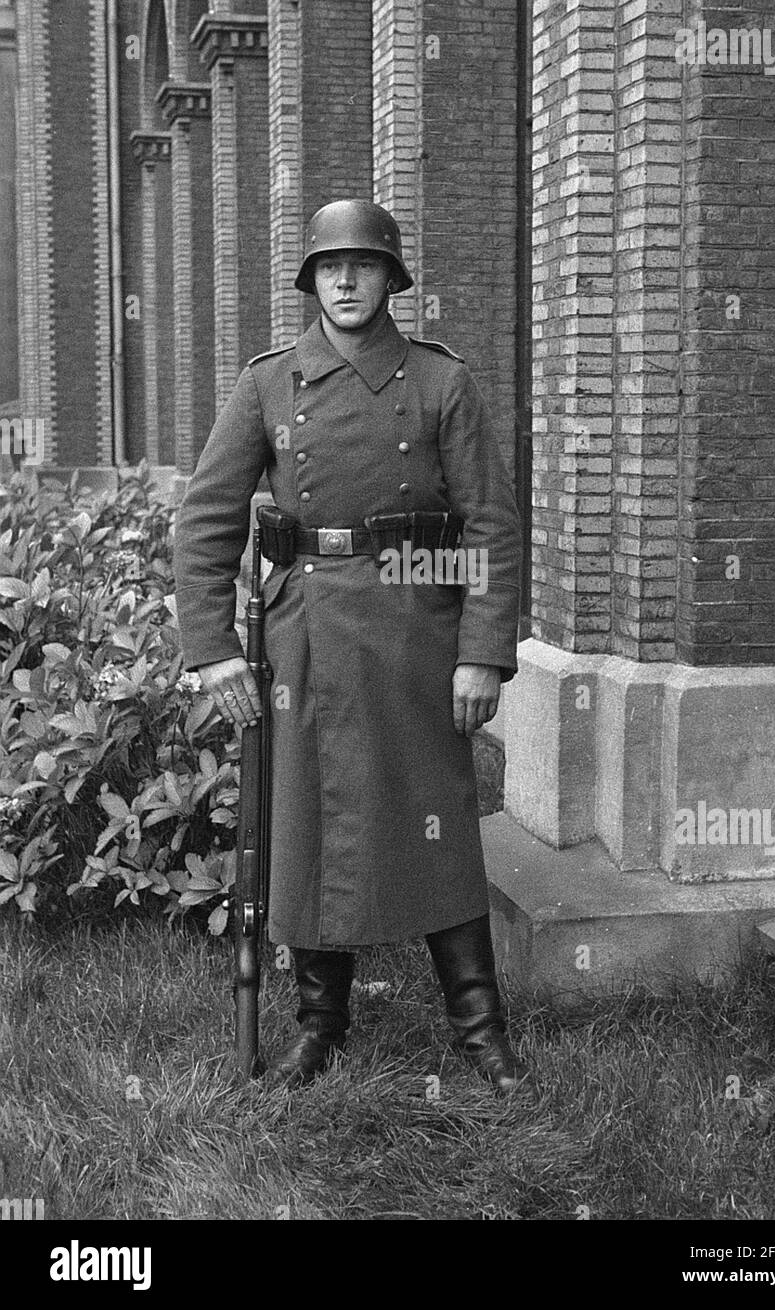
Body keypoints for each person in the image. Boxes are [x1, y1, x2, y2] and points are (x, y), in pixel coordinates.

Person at [172, 199, 529, 1095]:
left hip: (416, 631)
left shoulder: (441, 382)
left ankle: (479, 1027)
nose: (344, 281)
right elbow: (208, 521)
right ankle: (319, 1023)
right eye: (329, 267)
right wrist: (213, 650)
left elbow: (489, 522)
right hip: (305, 637)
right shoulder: (267, 383)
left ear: (390, 279)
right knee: (310, 823)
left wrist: (482, 651)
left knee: (436, 819)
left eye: (362, 266)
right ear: (310, 280)